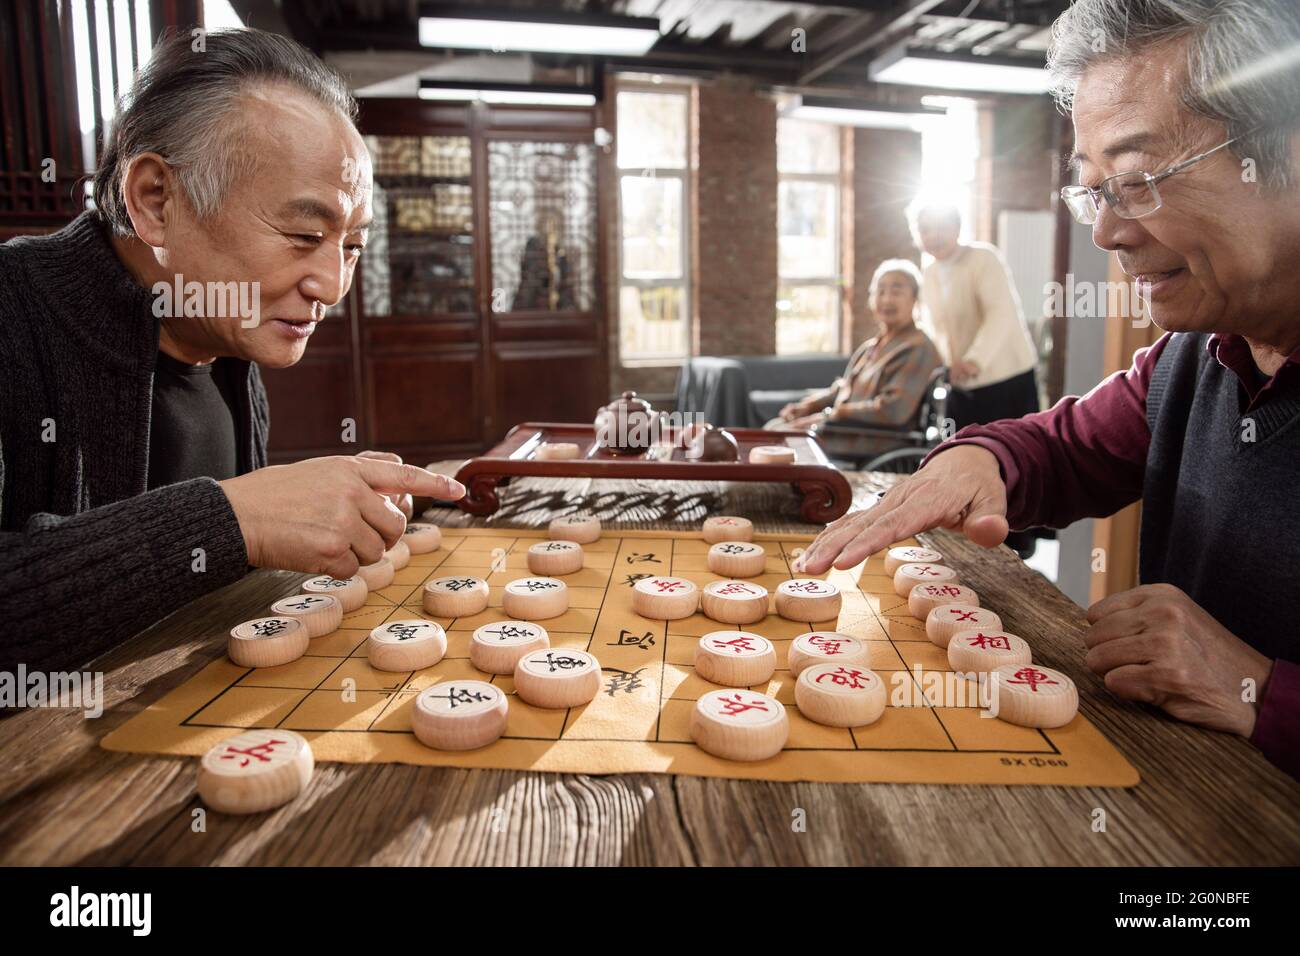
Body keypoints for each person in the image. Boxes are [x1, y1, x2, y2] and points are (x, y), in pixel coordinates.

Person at [801, 0, 1300, 780]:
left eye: (1137, 181)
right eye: (1092, 190)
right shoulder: (1195, 356)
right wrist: (983, 461)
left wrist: (1264, 691)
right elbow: (1065, 446)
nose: (1104, 232)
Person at [0, 29, 464, 677]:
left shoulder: (223, 346)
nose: (332, 286)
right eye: (304, 234)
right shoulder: (14, 314)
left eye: (352, 246)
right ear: (157, 202)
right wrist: (233, 518)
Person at [769, 260, 941, 459]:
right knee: (775, 427)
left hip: (872, 439)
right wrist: (809, 406)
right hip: (843, 429)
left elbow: (893, 410)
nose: (886, 300)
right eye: (880, 291)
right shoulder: (871, 346)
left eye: (896, 292)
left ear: (914, 300)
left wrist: (828, 416)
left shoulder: (918, 347)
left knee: (781, 438)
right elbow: (845, 389)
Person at [912, 202, 1040, 429]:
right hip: (961, 384)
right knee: (962, 453)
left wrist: (973, 360)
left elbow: (1001, 315)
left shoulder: (983, 258)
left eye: (941, 227)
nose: (933, 236)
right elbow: (936, 328)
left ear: (958, 227)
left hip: (1005, 378)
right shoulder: (930, 273)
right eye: (925, 230)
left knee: (1011, 455)